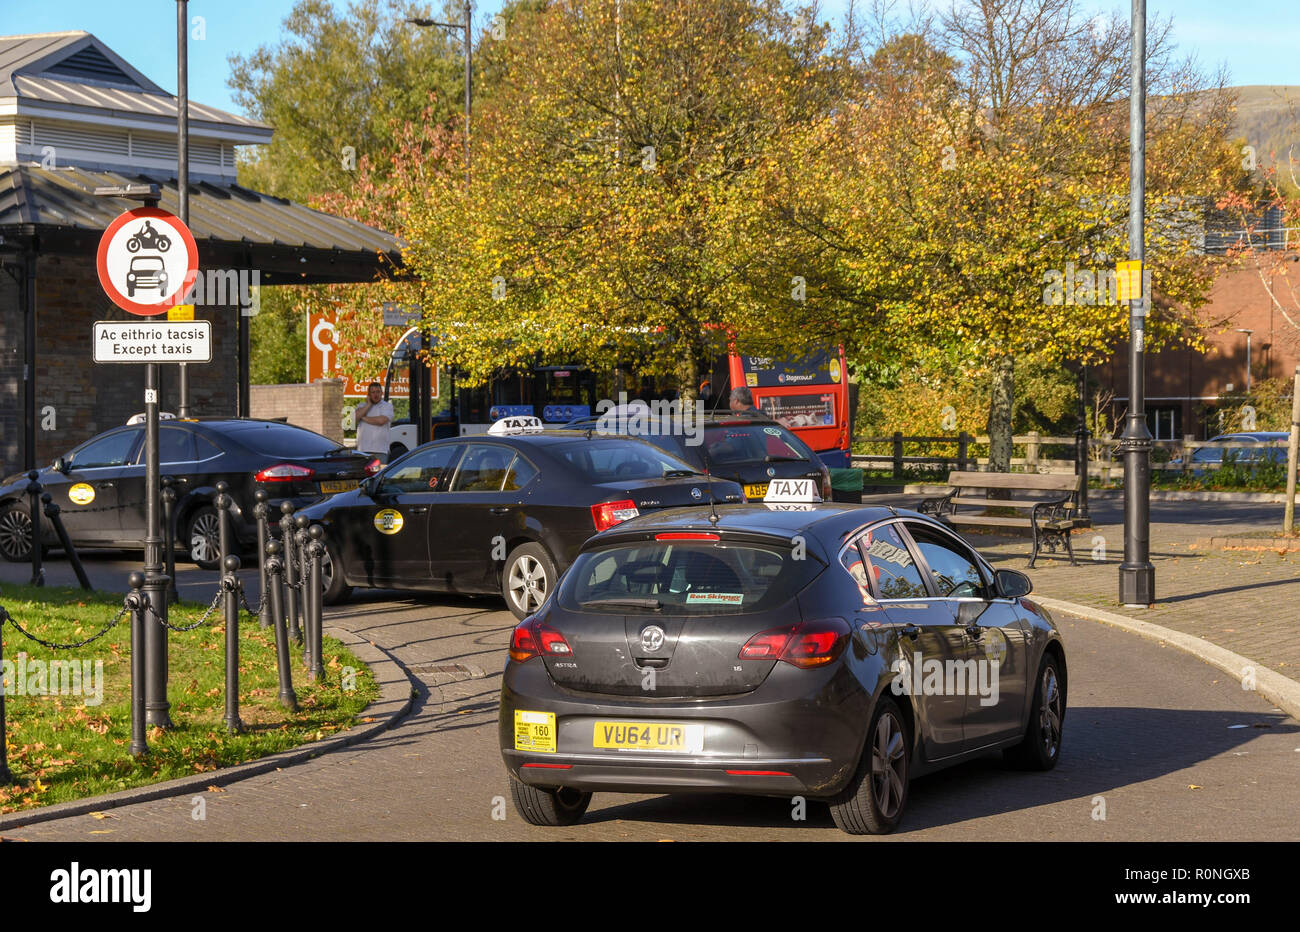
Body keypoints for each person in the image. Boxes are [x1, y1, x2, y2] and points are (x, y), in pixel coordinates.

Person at [354, 382, 395, 463]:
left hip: (380, 450)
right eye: (373, 392)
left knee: (379, 474)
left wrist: (363, 417)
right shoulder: (362, 406)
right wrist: (368, 405)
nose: (376, 394)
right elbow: (354, 418)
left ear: (381, 393)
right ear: (369, 394)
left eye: (378, 392)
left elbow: (381, 421)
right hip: (363, 449)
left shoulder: (387, 406)